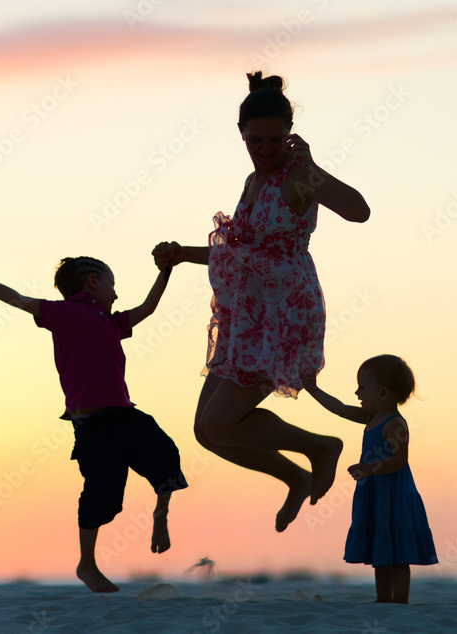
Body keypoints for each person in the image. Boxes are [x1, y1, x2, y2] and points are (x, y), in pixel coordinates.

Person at [153, 71, 371, 531]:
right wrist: (181, 255)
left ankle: (318, 448)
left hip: (283, 315)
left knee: (219, 423)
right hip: (247, 318)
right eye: (257, 140)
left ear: (291, 137)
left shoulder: (298, 178)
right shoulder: (253, 181)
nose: (267, 149)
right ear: (241, 134)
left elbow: (359, 211)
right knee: (206, 432)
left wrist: (315, 169)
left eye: (277, 139)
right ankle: (294, 476)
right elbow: (241, 251)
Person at [0, 256, 188, 593]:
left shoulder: (112, 323)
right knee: (102, 493)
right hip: (91, 424)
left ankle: (160, 516)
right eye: (112, 284)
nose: (116, 293)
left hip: (124, 414)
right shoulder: (63, 314)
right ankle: (87, 564)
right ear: (93, 283)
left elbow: (148, 308)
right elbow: (18, 300)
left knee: (166, 455)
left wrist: (167, 270)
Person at [303, 355, 438, 603]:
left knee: (398, 552)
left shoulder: (394, 424)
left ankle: (400, 600)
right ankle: (383, 599)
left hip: (393, 494)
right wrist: (313, 389)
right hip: (375, 493)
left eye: (362, 387)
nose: (357, 393)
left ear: (384, 393)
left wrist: (369, 469)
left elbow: (400, 460)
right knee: (381, 549)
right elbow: (340, 408)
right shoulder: (370, 417)